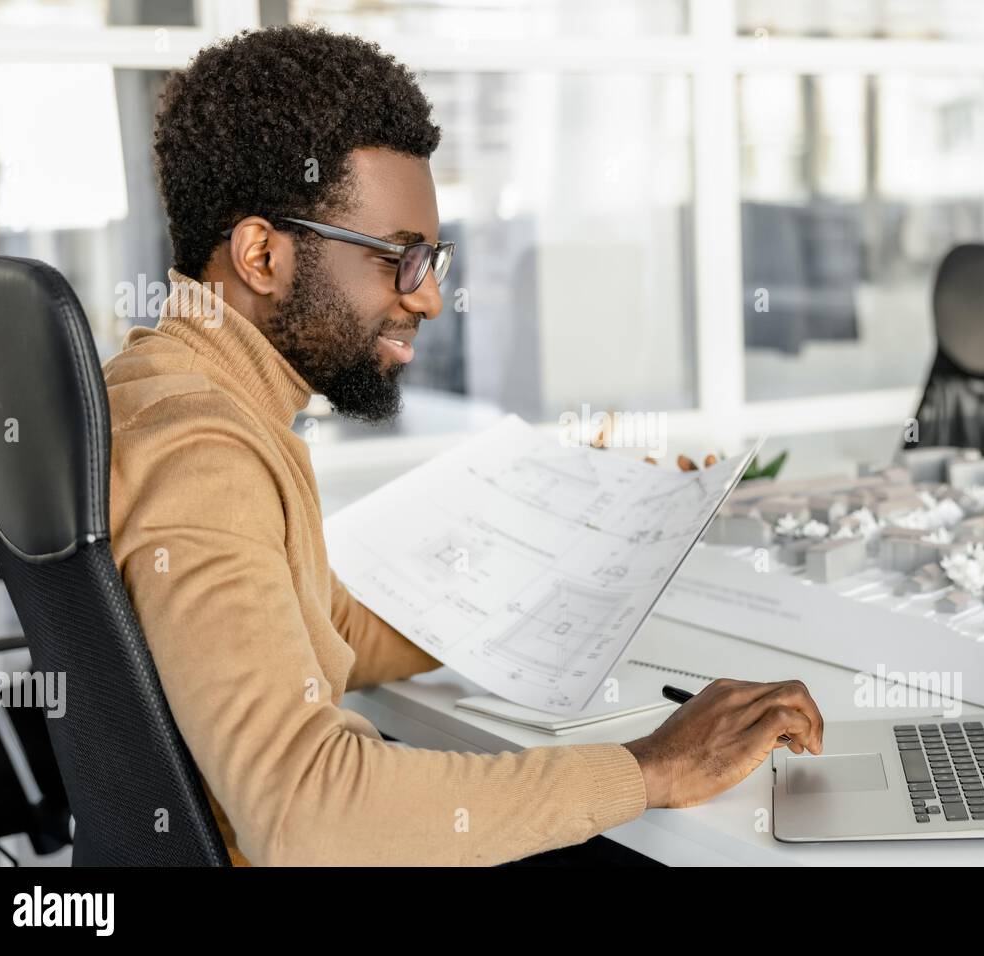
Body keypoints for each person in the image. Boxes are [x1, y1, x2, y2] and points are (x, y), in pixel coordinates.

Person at [103, 23, 823, 866]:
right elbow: (308, 814)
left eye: (433, 260)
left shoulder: (166, 389)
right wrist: (655, 768)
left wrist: (593, 549)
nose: (430, 300)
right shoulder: (203, 458)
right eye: (400, 259)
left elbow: (328, 625)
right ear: (262, 254)